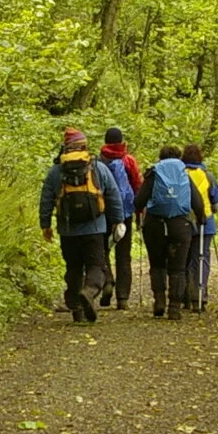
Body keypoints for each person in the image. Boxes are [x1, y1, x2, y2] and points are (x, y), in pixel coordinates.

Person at [38, 127, 127, 322]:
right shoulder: (97, 168)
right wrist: (117, 220)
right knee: (96, 265)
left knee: (73, 267)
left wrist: (45, 224)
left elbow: (46, 199)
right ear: (84, 146)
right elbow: (113, 195)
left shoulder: (56, 171)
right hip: (95, 228)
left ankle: (77, 310)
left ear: (66, 147)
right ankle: (89, 291)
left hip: (68, 229)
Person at [138, 143, 209, 319]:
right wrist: (201, 218)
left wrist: (139, 214)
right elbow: (197, 201)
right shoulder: (184, 173)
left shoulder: (154, 173)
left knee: (157, 264)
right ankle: (174, 308)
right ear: (179, 157)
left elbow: (139, 201)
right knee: (178, 268)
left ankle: (159, 300)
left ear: (160, 157)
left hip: (155, 225)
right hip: (180, 226)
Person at [97, 127, 143, 310]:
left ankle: (107, 281)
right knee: (123, 255)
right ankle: (123, 298)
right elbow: (137, 185)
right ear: (122, 141)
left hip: (103, 212)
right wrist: (139, 212)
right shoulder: (128, 160)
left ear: (106, 141)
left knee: (102, 250)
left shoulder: (99, 161)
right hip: (125, 213)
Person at [182, 143, 218, 313]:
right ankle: (199, 296)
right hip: (205, 223)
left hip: (184, 221)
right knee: (201, 258)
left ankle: (185, 295)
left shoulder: (181, 174)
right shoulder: (208, 176)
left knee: (184, 259)